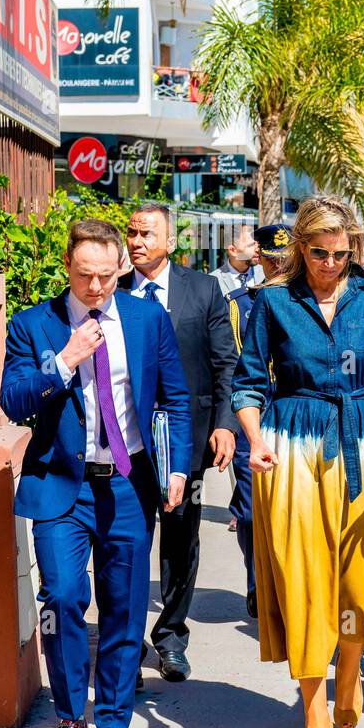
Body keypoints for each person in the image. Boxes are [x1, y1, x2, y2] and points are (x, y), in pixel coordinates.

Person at [231, 196, 364, 728]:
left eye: (341, 254)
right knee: (303, 576)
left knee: (355, 580)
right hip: (292, 444)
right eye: (320, 253)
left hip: (362, 442)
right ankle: (315, 721)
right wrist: (253, 439)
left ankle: (348, 662)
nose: (332, 264)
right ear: (299, 248)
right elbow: (247, 383)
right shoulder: (271, 302)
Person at [0, 218, 192, 728]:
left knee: (124, 607)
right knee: (60, 599)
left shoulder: (146, 318)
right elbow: (14, 401)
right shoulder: (34, 324)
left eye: (107, 277)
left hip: (128, 483)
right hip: (61, 482)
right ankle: (68, 721)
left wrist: (178, 466)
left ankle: (112, 726)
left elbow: (177, 398)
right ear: (67, 268)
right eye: (86, 276)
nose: (96, 288)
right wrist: (63, 361)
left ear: (120, 271)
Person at [121, 202, 238, 682]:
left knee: (180, 541)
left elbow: (226, 362)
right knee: (127, 542)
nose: (136, 241)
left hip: (184, 442)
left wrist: (225, 423)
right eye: (131, 232)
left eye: (147, 233)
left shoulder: (203, 289)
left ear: (170, 241)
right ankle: (125, 645)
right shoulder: (112, 289)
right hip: (125, 444)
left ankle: (170, 636)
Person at [227, 222, 292, 618]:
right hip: (254, 420)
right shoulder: (240, 305)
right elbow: (239, 368)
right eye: (273, 259)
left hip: (297, 421)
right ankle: (256, 583)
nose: (279, 266)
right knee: (251, 509)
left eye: (286, 259)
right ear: (260, 259)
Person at [211, 222, 263, 295]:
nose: (257, 249)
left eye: (257, 244)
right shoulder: (214, 281)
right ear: (233, 250)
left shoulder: (266, 273)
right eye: (251, 245)